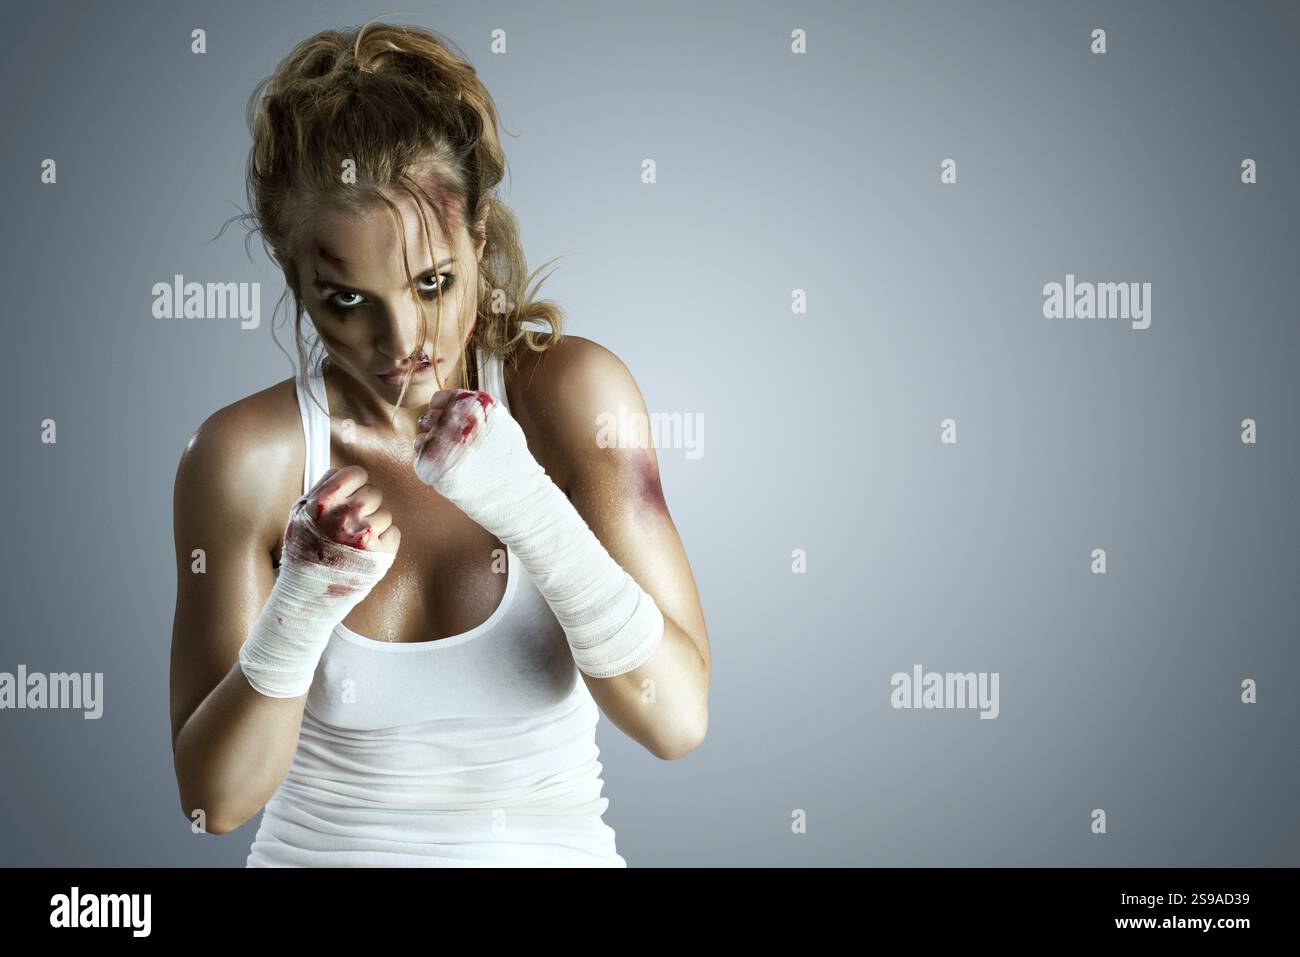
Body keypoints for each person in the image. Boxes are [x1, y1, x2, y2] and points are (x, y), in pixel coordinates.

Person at [168, 18, 710, 867]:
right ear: (293, 278)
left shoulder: (570, 399)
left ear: (479, 237)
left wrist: (528, 504)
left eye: (432, 282)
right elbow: (214, 802)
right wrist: (299, 608)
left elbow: (676, 720)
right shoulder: (246, 458)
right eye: (346, 299)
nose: (401, 341)